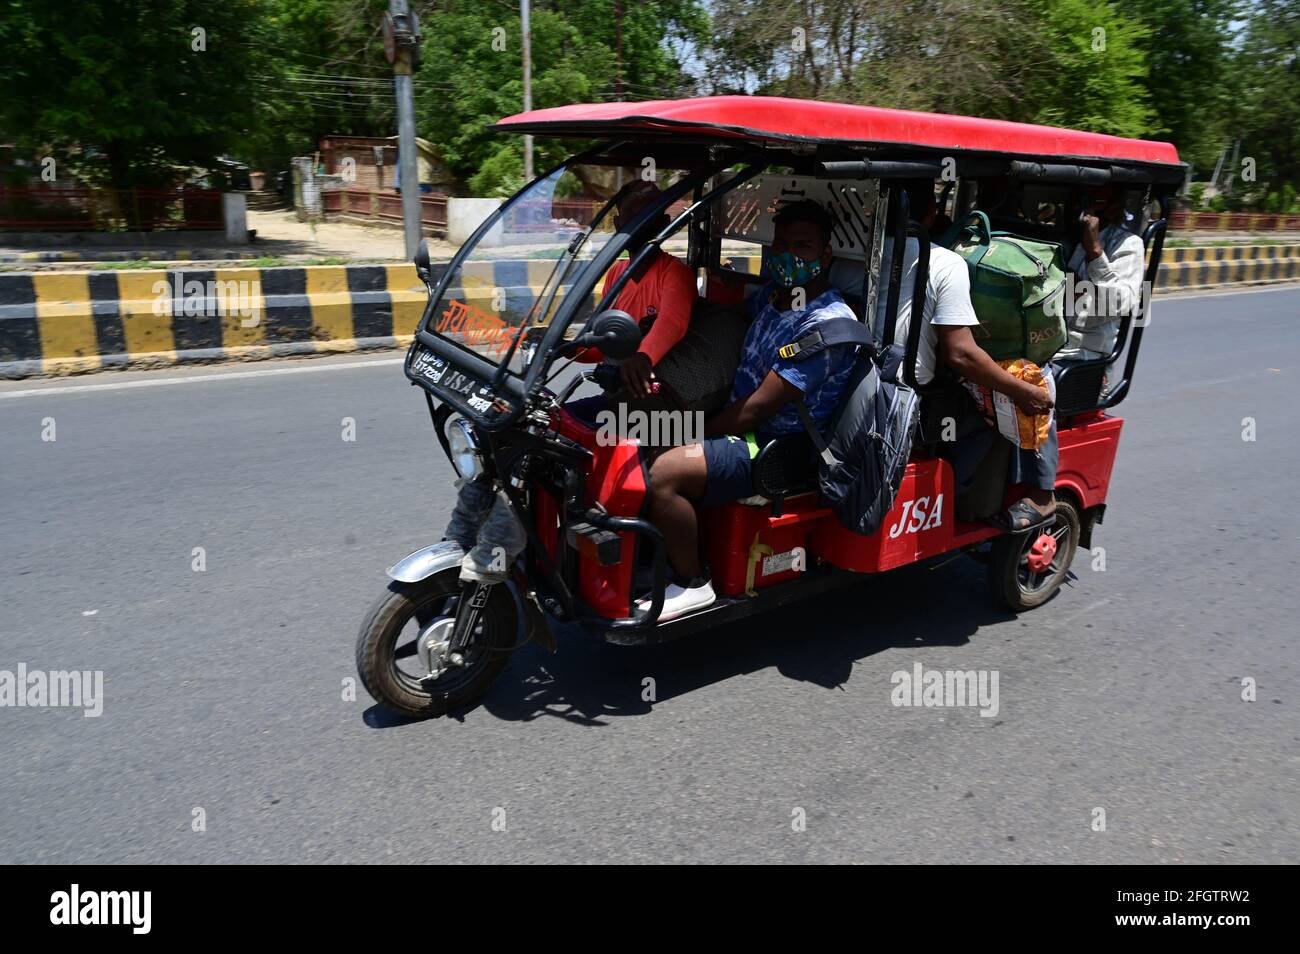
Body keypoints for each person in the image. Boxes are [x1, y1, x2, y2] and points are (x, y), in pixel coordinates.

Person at [637, 200, 859, 620]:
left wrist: (689, 430)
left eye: (802, 246)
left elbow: (757, 409)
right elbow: (728, 323)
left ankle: (692, 581)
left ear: (825, 256)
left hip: (776, 447)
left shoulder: (826, 327)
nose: (788, 255)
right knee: (635, 429)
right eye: (780, 245)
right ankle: (657, 546)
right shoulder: (775, 299)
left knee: (662, 473)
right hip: (739, 421)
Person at [880, 179, 1057, 530]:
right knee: (1011, 397)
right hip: (910, 400)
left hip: (865, 383)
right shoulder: (945, 262)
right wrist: (1023, 391)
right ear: (932, 214)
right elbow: (961, 354)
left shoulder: (852, 254)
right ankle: (960, 498)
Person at [576, 180, 698, 398]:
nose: (639, 223)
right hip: (619, 390)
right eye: (631, 214)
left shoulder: (674, 272)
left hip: (658, 395)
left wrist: (643, 357)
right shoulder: (616, 273)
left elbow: (672, 322)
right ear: (617, 223)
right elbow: (605, 344)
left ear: (664, 223)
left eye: (646, 215)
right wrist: (564, 348)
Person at [1059, 185, 1146, 361]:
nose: (1078, 208)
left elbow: (1118, 303)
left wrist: (1095, 252)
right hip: (1037, 348)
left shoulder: (1128, 244)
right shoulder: (1059, 237)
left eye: (1092, 202)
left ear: (1114, 208)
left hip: (1080, 356)